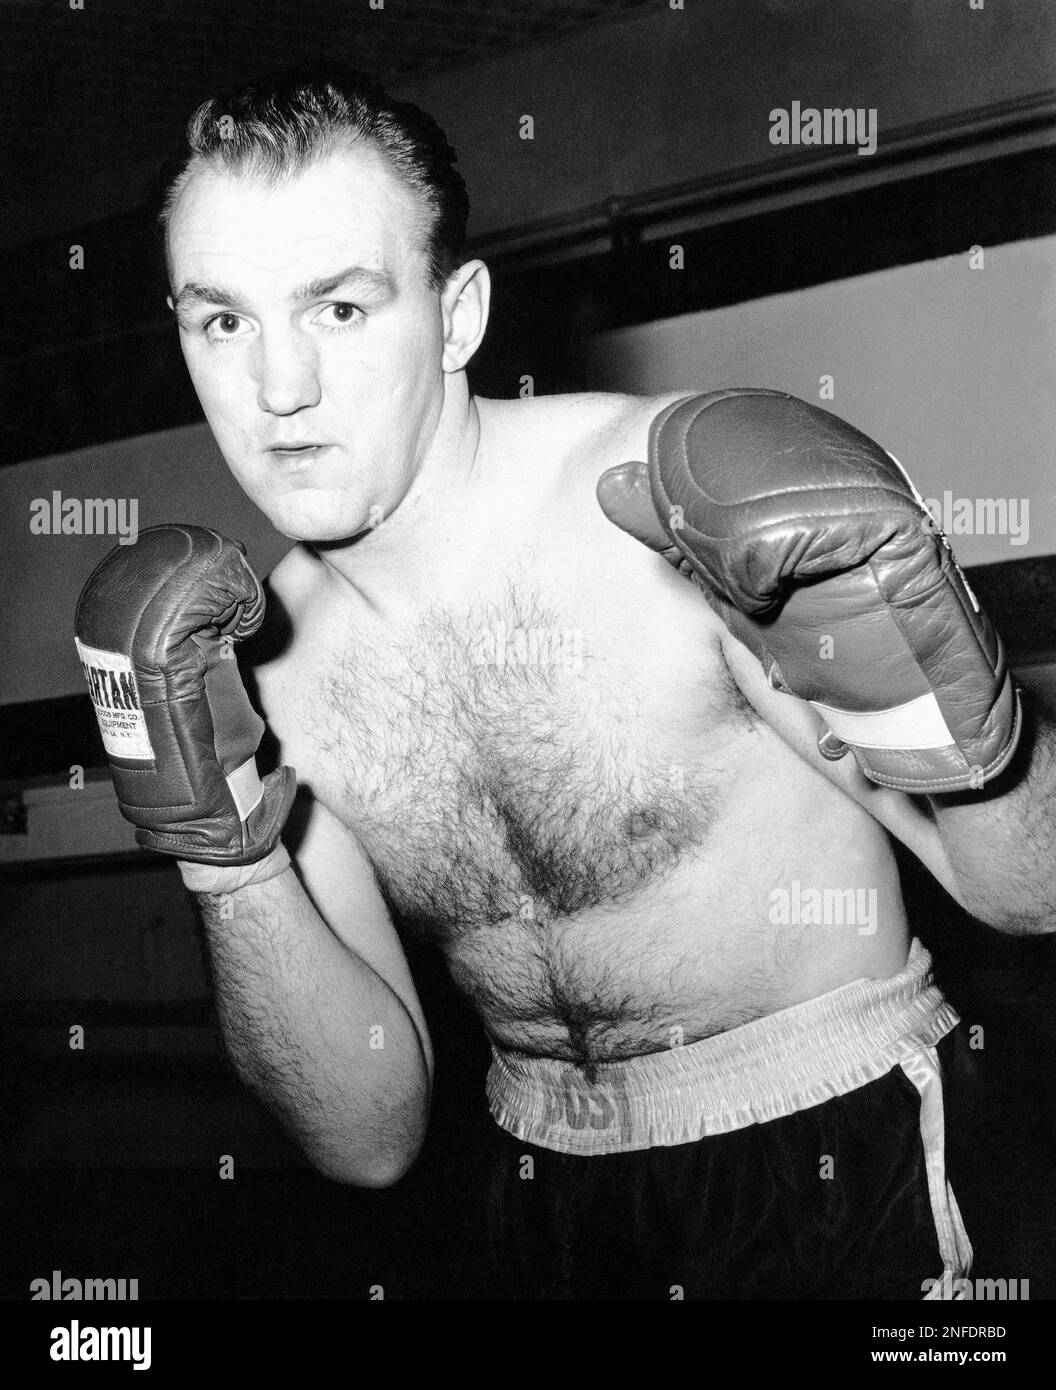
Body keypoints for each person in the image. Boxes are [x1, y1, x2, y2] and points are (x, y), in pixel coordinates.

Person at [75, 68, 1055, 1299]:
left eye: (339, 309)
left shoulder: (670, 512)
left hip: (838, 1156)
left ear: (458, 316)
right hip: (539, 1191)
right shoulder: (267, 668)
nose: (280, 392)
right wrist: (226, 858)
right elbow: (368, 1142)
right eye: (223, 320)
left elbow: (1029, 895)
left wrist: (951, 706)